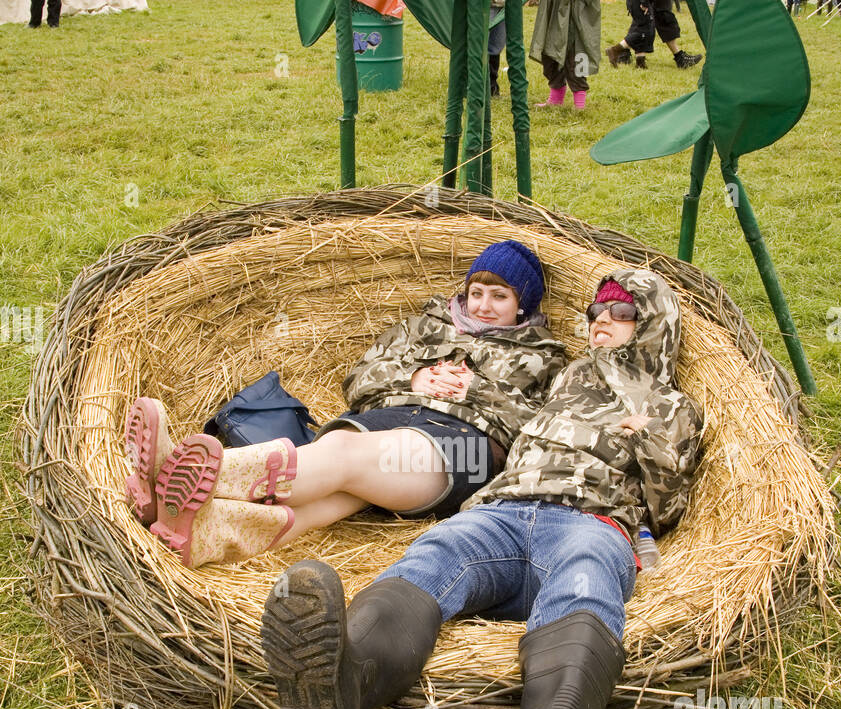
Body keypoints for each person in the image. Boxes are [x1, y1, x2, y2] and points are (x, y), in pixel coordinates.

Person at [260, 267, 703, 709]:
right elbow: (505, 417)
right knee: (433, 557)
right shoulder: (565, 376)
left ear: (650, 328)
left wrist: (641, 436)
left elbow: (669, 503)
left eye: (621, 315)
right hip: (502, 507)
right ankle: (339, 688)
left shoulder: (671, 404)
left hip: (589, 520)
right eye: (597, 313)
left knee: (584, 585)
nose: (602, 322)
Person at [124, 241, 569, 568]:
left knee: (340, 457)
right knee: (334, 496)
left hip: (469, 450)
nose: (484, 306)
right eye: (477, 292)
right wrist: (413, 377)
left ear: (521, 304)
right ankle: (199, 533)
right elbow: (358, 378)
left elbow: (542, 427)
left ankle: (178, 473)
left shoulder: (544, 356)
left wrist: (474, 389)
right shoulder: (422, 325)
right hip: (386, 417)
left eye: (500, 296)